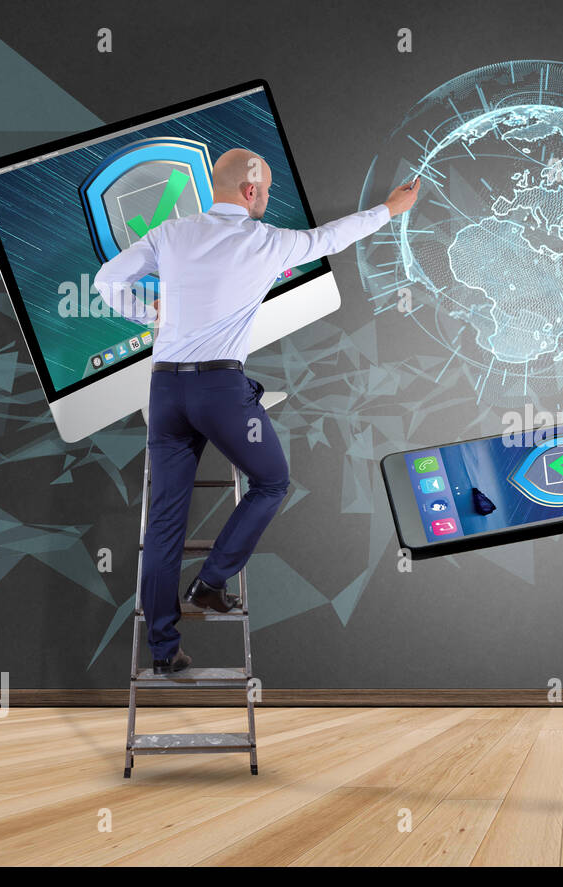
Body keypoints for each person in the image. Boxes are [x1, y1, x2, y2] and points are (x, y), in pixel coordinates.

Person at [95, 148, 420, 673]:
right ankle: (211, 581)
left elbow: (106, 282)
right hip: (220, 390)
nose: (267, 199)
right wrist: (389, 209)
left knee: (162, 525)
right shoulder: (266, 241)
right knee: (272, 481)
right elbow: (333, 237)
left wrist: (149, 314)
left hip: (164, 391)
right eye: (265, 190)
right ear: (250, 192)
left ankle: (162, 652)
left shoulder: (170, 236)